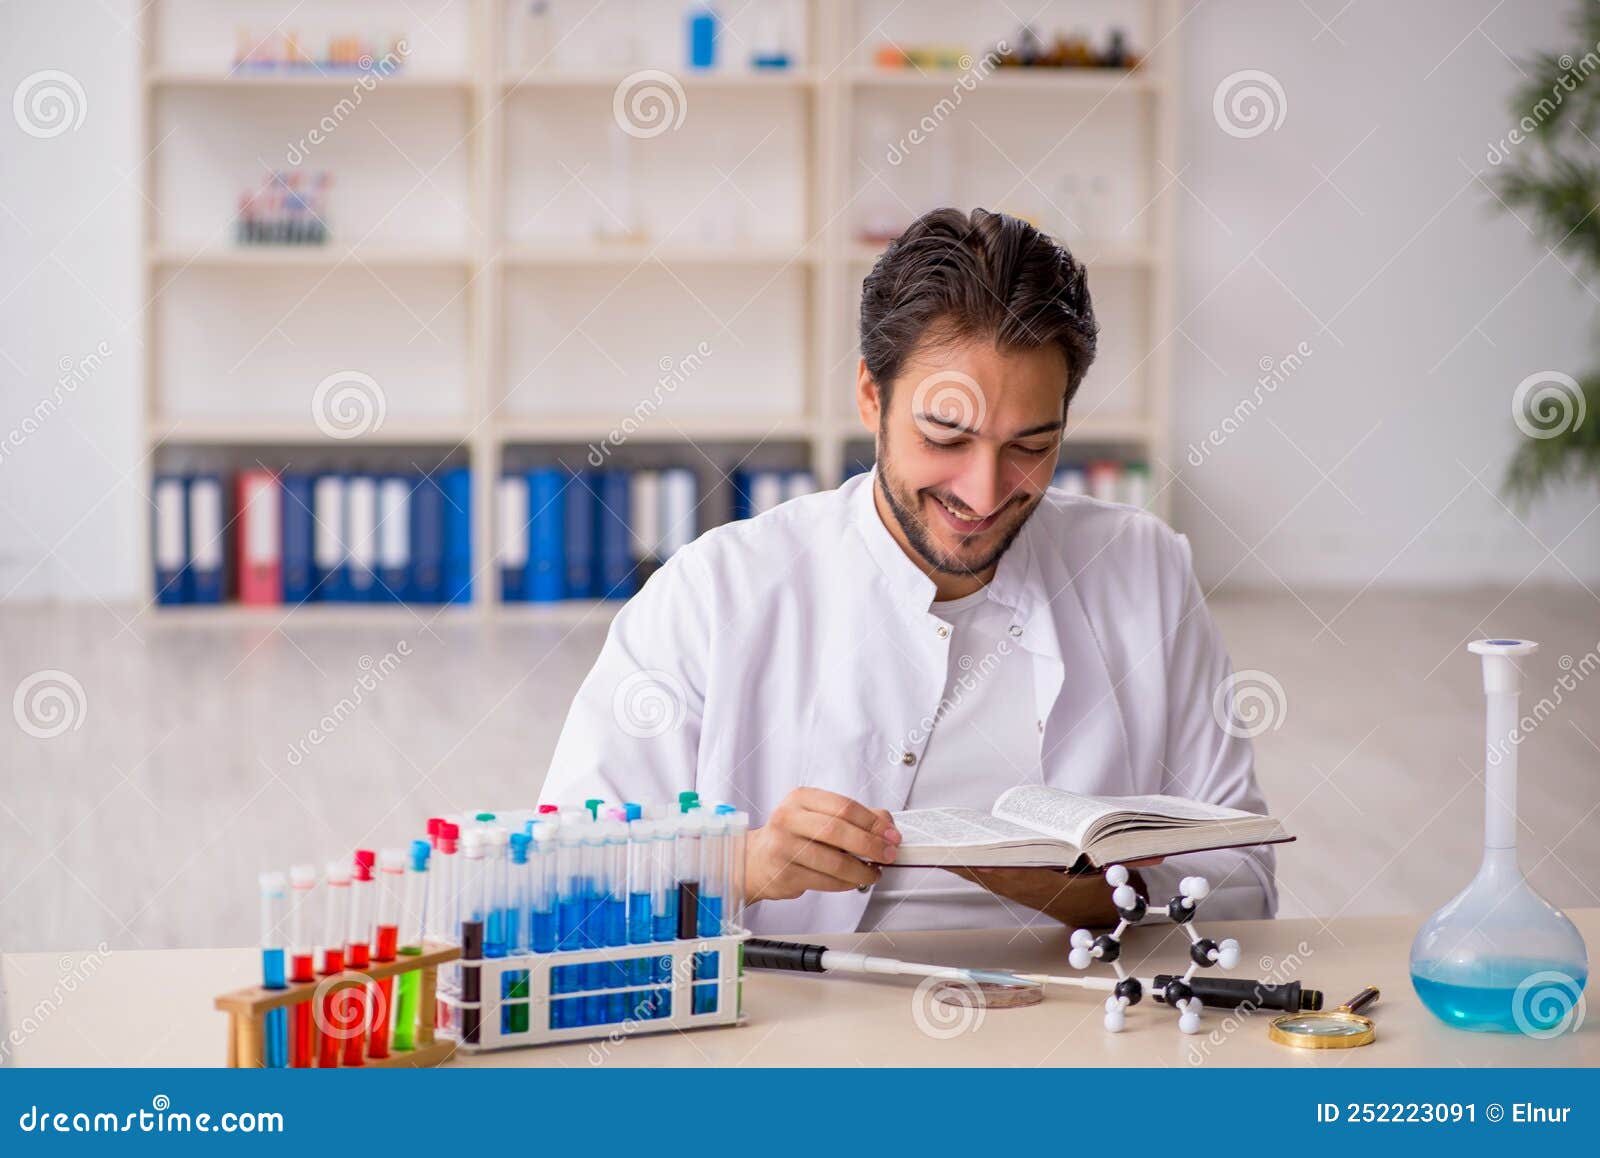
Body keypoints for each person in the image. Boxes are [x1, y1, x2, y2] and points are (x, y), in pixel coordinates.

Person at [543, 207, 1277, 934]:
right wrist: (745, 868)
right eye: (945, 436)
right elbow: (565, 880)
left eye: (1032, 445)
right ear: (872, 395)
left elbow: (1246, 883)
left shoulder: (1143, 569)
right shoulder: (714, 595)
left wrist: (1085, 894)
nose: (983, 493)